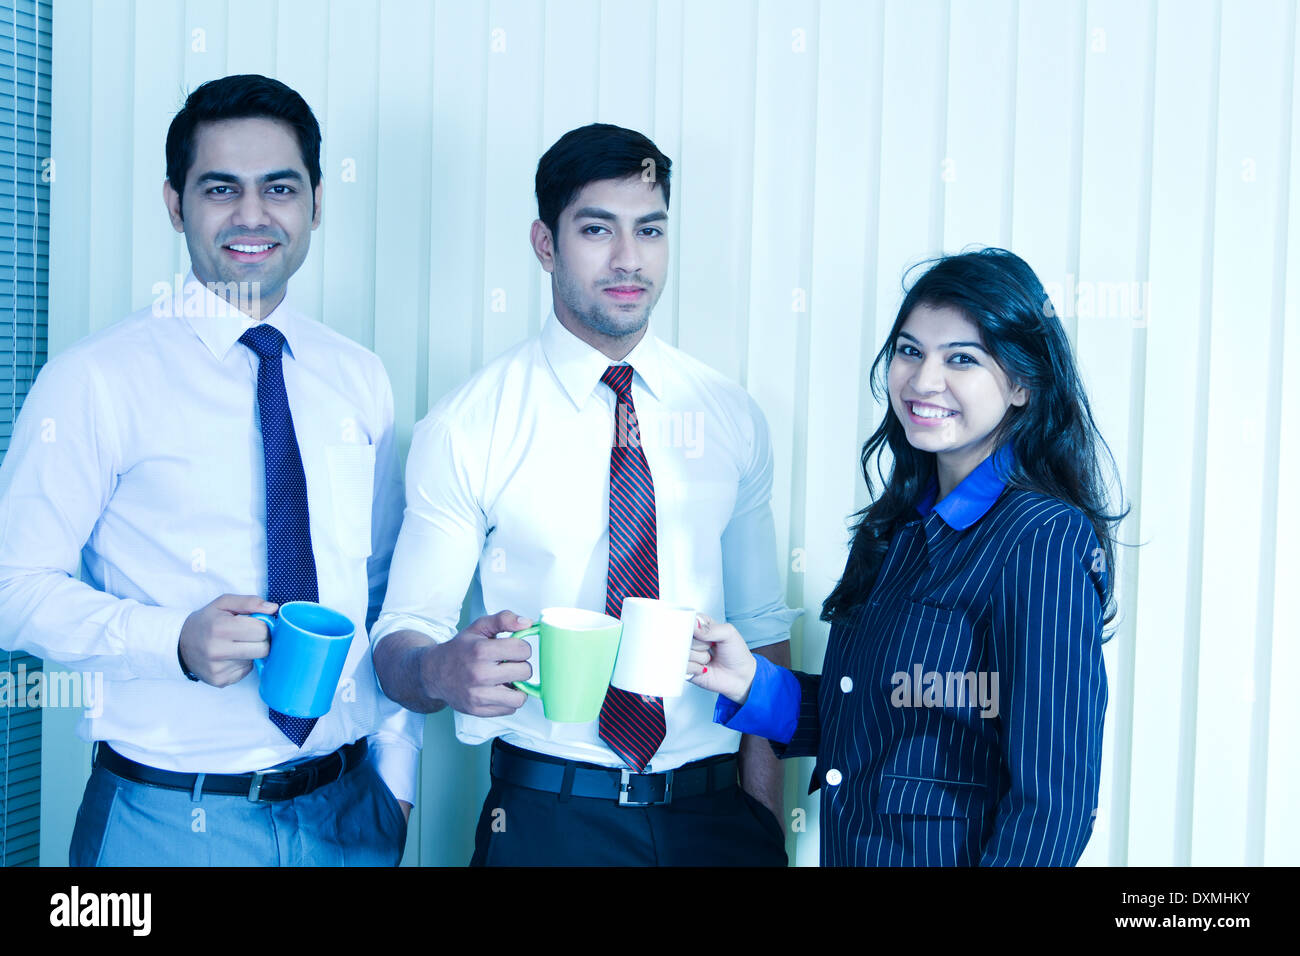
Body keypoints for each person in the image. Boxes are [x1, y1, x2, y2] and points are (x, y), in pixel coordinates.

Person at [0, 74, 421, 865]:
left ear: (317, 204)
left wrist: (396, 775)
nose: (253, 216)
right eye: (221, 188)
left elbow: (387, 591)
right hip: (163, 824)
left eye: (280, 188)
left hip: (350, 814)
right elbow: (11, 587)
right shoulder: (96, 380)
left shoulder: (360, 377)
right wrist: (174, 642)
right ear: (174, 203)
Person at [371, 123, 797, 866]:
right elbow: (402, 635)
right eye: (597, 229)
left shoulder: (730, 416)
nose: (629, 260)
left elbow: (762, 629)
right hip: (546, 822)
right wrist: (439, 669)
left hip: (716, 818)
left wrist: (761, 818)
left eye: (650, 230)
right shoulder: (468, 426)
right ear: (545, 244)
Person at [688, 248, 1125, 866]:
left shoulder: (1041, 538)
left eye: (962, 360)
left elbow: (1053, 807)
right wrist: (751, 683)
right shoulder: (897, 527)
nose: (922, 381)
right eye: (910, 350)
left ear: (1024, 383)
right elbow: (880, 712)